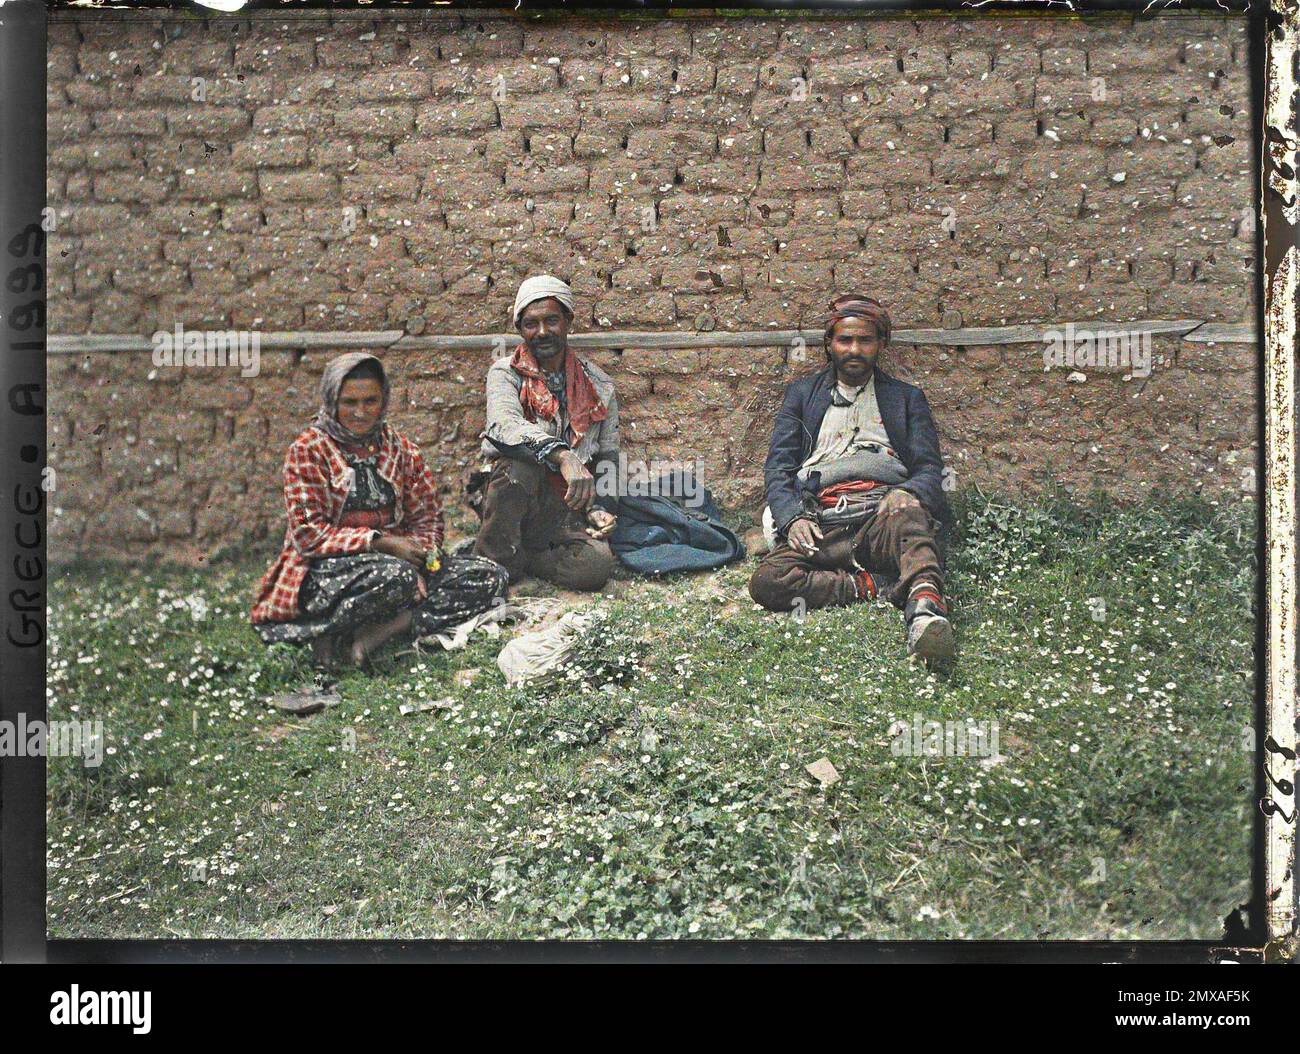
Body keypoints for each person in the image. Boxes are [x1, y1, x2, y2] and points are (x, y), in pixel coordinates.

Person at [252, 352, 507, 668]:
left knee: (489, 577)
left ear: (383, 400)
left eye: (370, 401)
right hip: (328, 571)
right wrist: (378, 542)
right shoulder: (307, 452)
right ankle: (330, 633)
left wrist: (422, 559)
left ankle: (387, 627)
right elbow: (308, 532)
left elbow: (426, 515)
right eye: (349, 403)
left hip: (397, 564)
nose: (360, 413)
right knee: (393, 576)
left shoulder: (400, 449)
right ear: (332, 401)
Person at [747, 295, 955, 661]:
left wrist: (908, 491)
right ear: (829, 344)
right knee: (768, 582)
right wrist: (793, 517)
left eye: (865, 340)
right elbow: (778, 469)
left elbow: (930, 470)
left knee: (912, 522)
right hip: (822, 520)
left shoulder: (906, 399)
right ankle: (873, 585)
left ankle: (925, 611)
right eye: (845, 340)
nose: (855, 349)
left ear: (881, 344)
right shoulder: (801, 396)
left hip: (881, 517)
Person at [469, 274, 620, 591]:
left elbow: (608, 456)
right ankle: (489, 568)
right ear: (520, 330)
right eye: (531, 324)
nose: (541, 332)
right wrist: (563, 456)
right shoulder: (505, 373)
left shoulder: (599, 384)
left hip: (564, 507)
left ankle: (521, 558)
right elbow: (503, 425)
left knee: (596, 567)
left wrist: (601, 509)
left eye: (552, 320)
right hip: (511, 496)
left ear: (568, 321)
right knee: (519, 466)